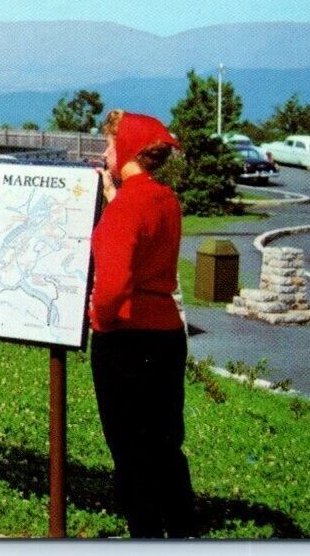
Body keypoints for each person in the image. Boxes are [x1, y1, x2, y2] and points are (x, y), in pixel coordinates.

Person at [88, 109, 194, 538]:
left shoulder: (122, 212)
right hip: (167, 336)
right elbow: (144, 226)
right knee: (166, 445)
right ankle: (183, 532)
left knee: (130, 452)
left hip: (125, 341)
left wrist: (99, 319)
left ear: (128, 149)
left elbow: (112, 288)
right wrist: (116, 194)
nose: (105, 151)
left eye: (111, 144)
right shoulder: (165, 199)